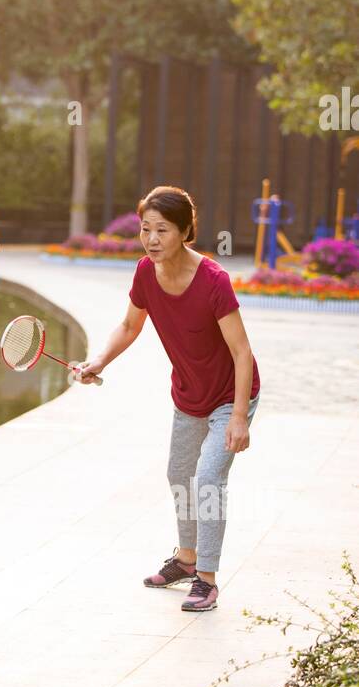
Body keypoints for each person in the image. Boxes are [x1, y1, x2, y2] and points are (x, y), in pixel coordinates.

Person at [77, 186, 260, 613]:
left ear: (184, 232)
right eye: (145, 229)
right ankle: (185, 558)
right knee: (180, 477)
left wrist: (238, 418)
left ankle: (207, 579)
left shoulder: (213, 280)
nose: (152, 239)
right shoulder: (145, 272)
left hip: (231, 395)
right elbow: (129, 324)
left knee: (209, 481)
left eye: (162, 230)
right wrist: (98, 361)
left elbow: (241, 351)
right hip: (189, 394)